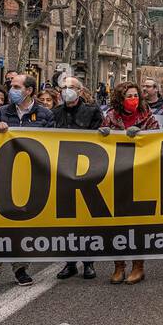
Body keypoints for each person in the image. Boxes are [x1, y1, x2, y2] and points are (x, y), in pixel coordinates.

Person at [0, 75, 53, 291]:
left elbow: (53, 142)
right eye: (12, 87)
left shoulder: (45, 114)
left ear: (29, 91)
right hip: (2, 174)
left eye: (16, 87)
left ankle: (21, 267)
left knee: (23, 223)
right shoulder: (1, 112)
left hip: (30, 177)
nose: (11, 90)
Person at [101, 81, 159, 284]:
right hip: (116, 175)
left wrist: (142, 136)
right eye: (129, 96)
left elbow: (158, 139)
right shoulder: (109, 117)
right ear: (120, 99)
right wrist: (104, 134)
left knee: (137, 222)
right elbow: (99, 143)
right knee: (116, 222)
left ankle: (138, 266)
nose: (133, 99)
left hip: (140, 174)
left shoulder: (148, 117)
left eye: (136, 95)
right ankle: (119, 266)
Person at [52, 76, 103, 281]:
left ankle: (88, 262)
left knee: (85, 219)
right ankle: (70, 262)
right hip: (62, 170)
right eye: (64, 87)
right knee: (67, 218)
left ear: (80, 91)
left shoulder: (92, 112)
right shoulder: (54, 113)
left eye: (71, 87)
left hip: (86, 172)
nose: (67, 90)